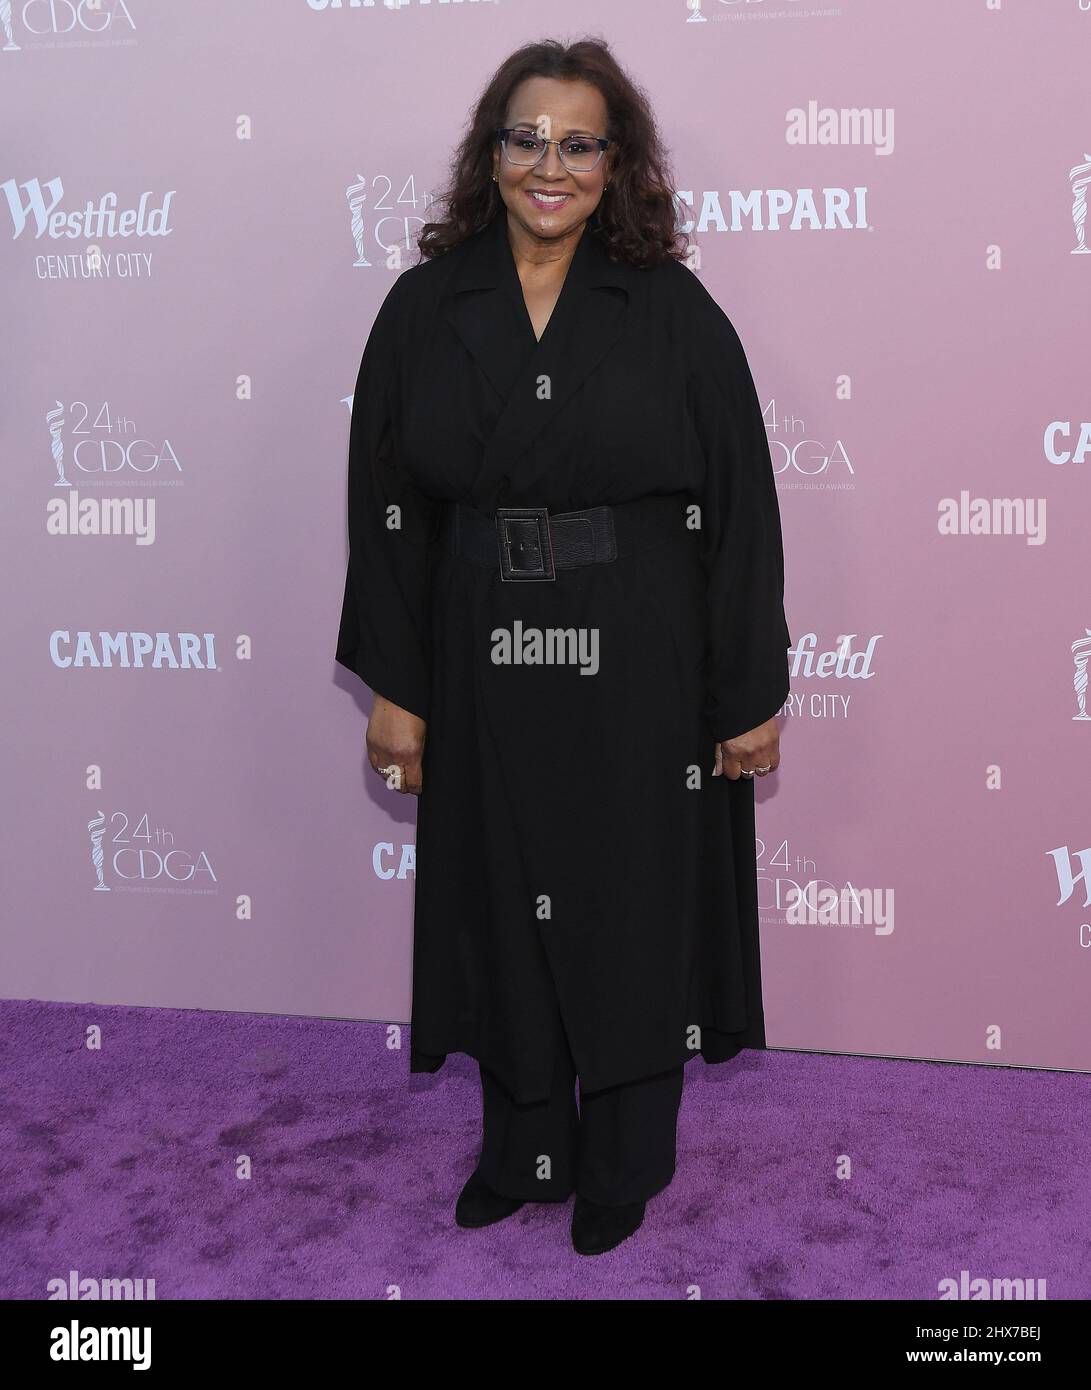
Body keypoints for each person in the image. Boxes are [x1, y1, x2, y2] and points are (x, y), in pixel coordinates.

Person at [335, 37, 791, 1257]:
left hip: (637, 650)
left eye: (578, 142)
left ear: (615, 162)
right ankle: (523, 1148)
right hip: (480, 641)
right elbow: (386, 510)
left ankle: (622, 1160)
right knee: (499, 895)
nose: (550, 164)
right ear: (489, 156)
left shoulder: (673, 310)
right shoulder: (426, 306)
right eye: (525, 137)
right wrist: (397, 688)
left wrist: (746, 690)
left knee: (631, 899)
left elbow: (740, 503)